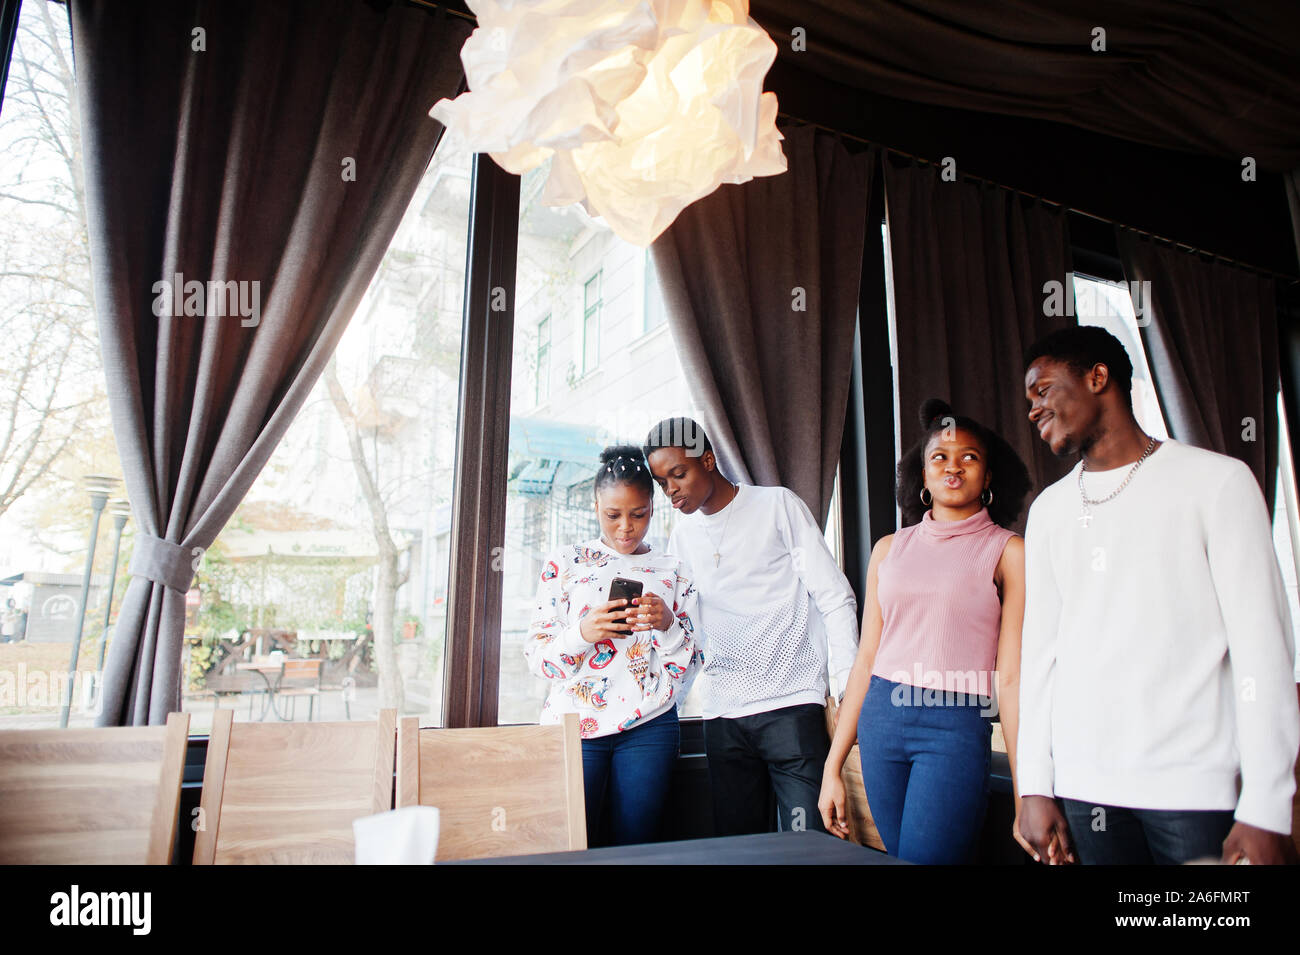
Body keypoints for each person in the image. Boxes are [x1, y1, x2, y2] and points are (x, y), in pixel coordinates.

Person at [1018, 325, 1299, 865]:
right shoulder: (1049, 511)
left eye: (1044, 389)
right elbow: (1040, 656)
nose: (1033, 409)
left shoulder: (1217, 482)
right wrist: (1035, 784)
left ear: (1099, 377)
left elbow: (1262, 652)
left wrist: (1267, 805)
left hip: (1193, 791)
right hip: (1085, 792)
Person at [819, 399, 1031, 863]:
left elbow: (1012, 679)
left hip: (954, 727)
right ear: (923, 474)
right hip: (882, 721)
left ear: (989, 476)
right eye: (940, 457)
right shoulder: (888, 549)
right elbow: (867, 659)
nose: (953, 467)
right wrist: (832, 767)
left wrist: (1025, 795)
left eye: (969, 458)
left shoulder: (1008, 551)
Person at [644, 417, 858, 835]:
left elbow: (835, 597)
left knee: (809, 845)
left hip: (792, 707)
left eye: (678, 474)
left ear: (708, 460)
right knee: (740, 851)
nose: (671, 490)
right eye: (661, 482)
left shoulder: (777, 505)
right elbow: (689, 632)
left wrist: (846, 687)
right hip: (723, 716)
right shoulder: (682, 539)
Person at [524, 444, 699, 847]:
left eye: (638, 515)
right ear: (595, 504)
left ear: (653, 508)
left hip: (649, 726)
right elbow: (538, 659)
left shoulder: (673, 570)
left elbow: (689, 667)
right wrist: (583, 632)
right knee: (568, 844)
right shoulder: (566, 562)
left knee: (636, 846)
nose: (625, 528)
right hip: (573, 725)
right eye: (613, 515)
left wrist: (669, 625)